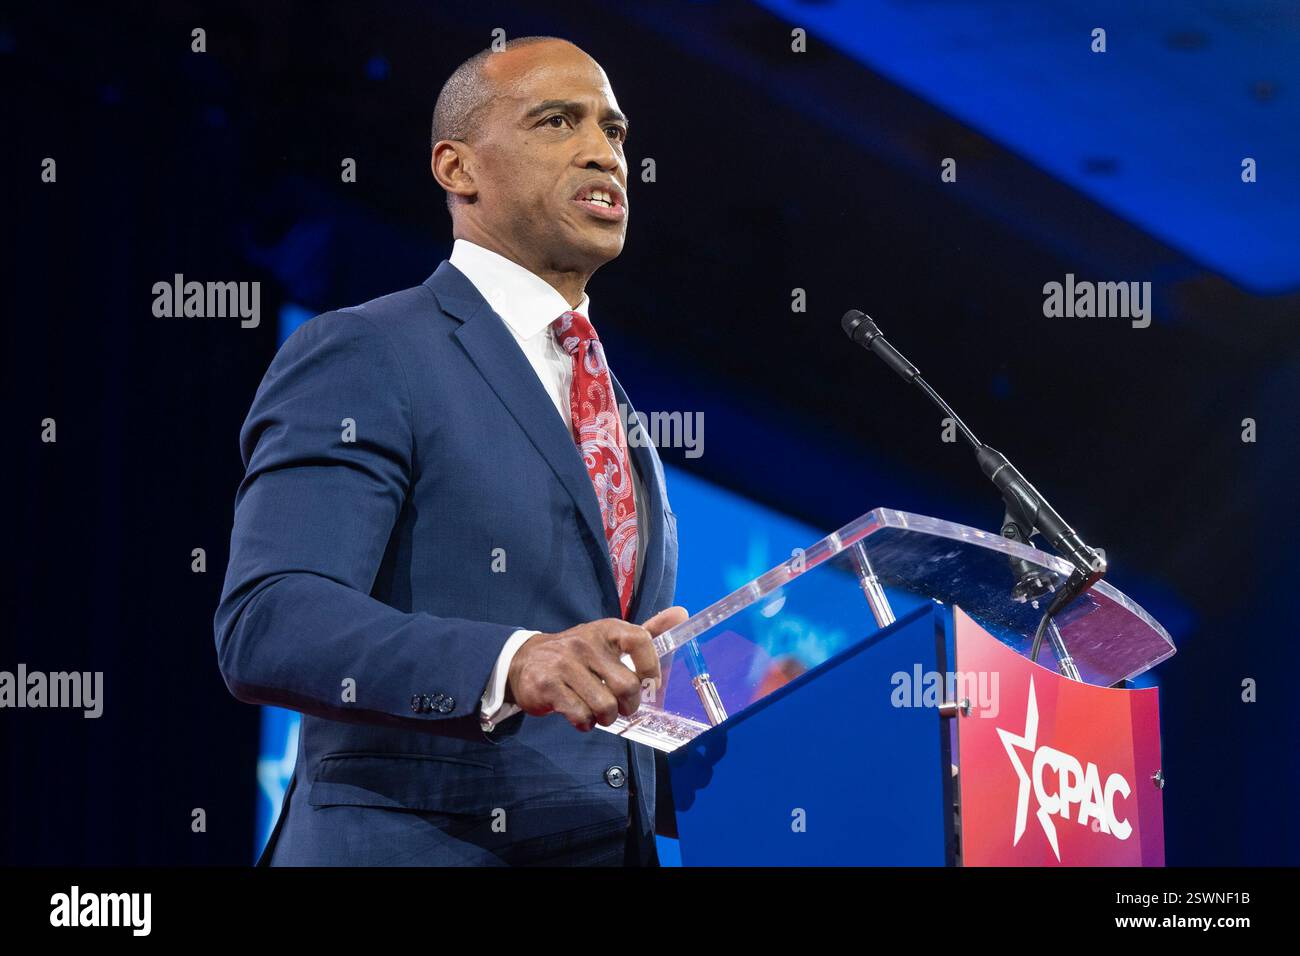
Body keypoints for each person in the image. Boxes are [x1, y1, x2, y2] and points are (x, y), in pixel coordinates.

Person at [214, 35, 685, 866]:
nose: (602, 152)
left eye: (614, 132)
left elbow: (602, 744)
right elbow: (270, 620)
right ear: (457, 168)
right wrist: (512, 661)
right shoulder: (370, 351)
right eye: (557, 121)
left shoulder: (616, 411)